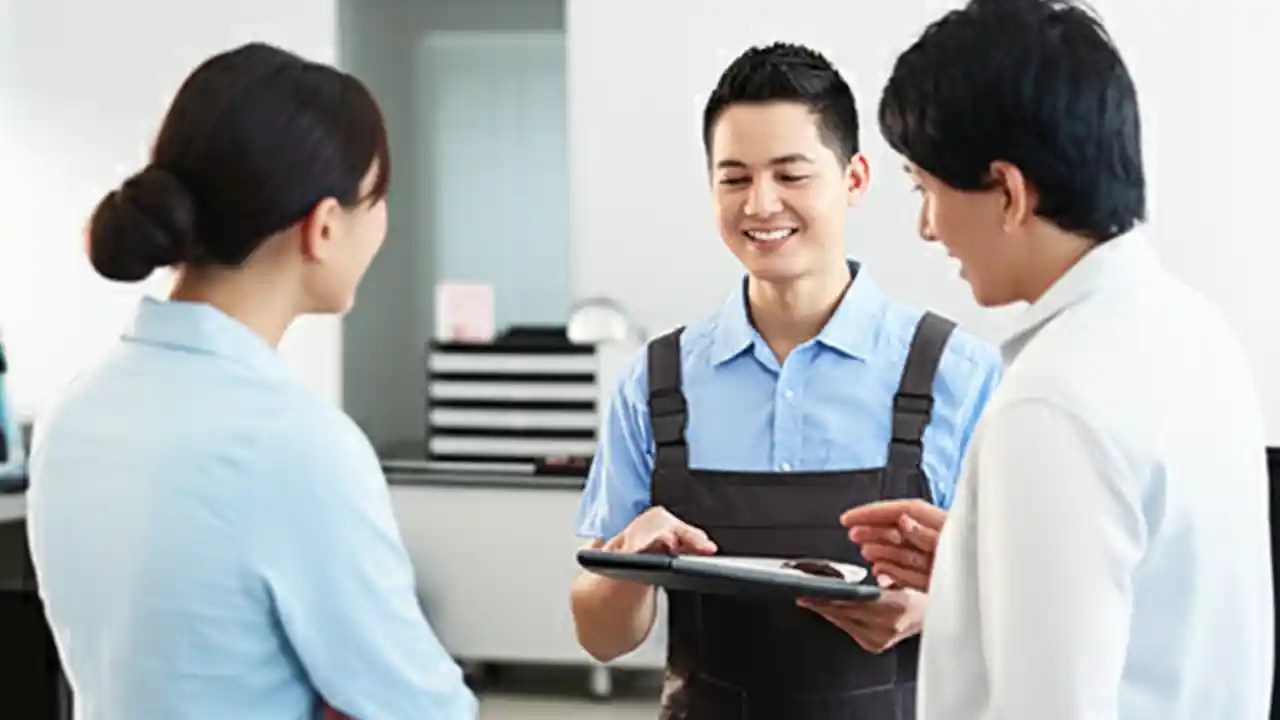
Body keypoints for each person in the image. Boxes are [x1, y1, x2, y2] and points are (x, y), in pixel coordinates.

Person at [840, 0, 1275, 717]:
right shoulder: (1197, 331)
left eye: (926, 189)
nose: (926, 227)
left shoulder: (1051, 403)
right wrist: (985, 574)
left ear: (1008, 192)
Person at [25, 43, 477, 720]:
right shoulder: (297, 444)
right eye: (378, 196)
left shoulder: (73, 411)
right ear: (324, 227)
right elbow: (423, 710)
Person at [570, 42, 1003, 718]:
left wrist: (937, 608)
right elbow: (601, 638)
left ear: (854, 179)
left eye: (791, 174)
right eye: (734, 178)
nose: (761, 204)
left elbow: (1032, 604)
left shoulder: (960, 375)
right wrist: (632, 567)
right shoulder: (654, 384)